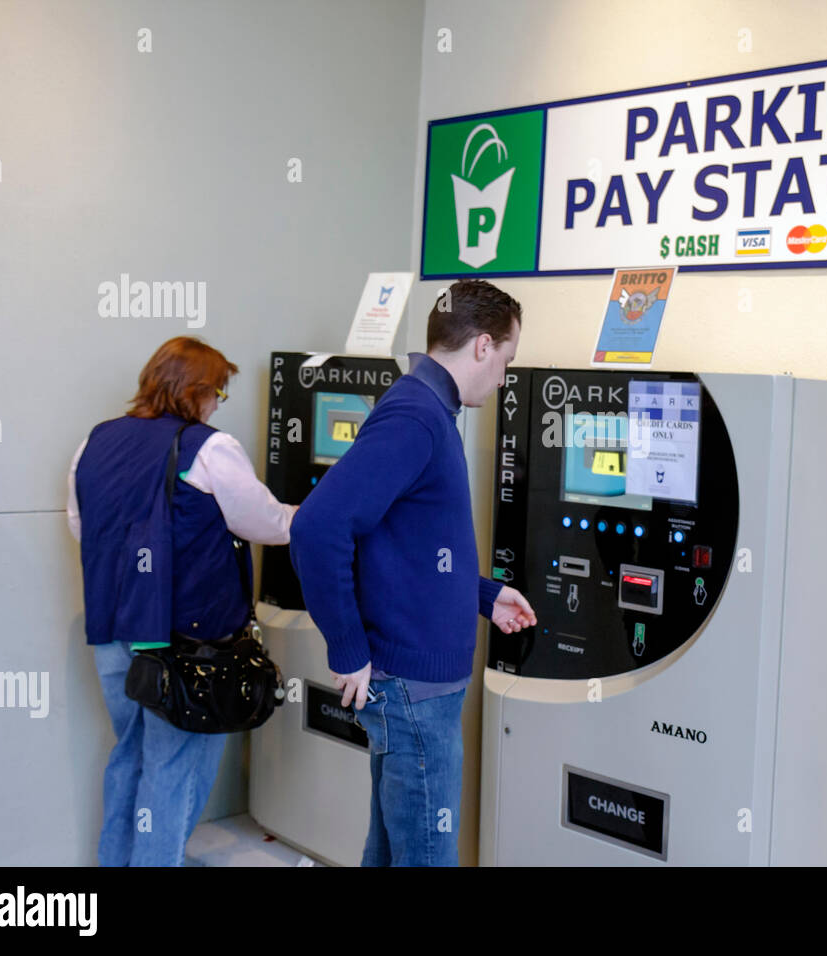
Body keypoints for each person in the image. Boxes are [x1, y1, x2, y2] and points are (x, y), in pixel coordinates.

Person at [290, 279, 536, 867]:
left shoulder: (425, 411)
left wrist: (482, 594)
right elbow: (316, 528)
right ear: (481, 347)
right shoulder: (416, 418)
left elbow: (403, 544)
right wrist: (346, 649)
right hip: (412, 694)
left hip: (416, 690)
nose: (504, 378)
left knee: (389, 853)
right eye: (505, 361)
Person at [67, 336, 297, 866]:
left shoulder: (93, 443)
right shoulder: (210, 448)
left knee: (130, 755)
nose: (218, 403)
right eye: (218, 391)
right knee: (172, 768)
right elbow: (263, 522)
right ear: (195, 391)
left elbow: (85, 528)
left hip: (114, 632)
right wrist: (312, 514)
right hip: (186, 643)